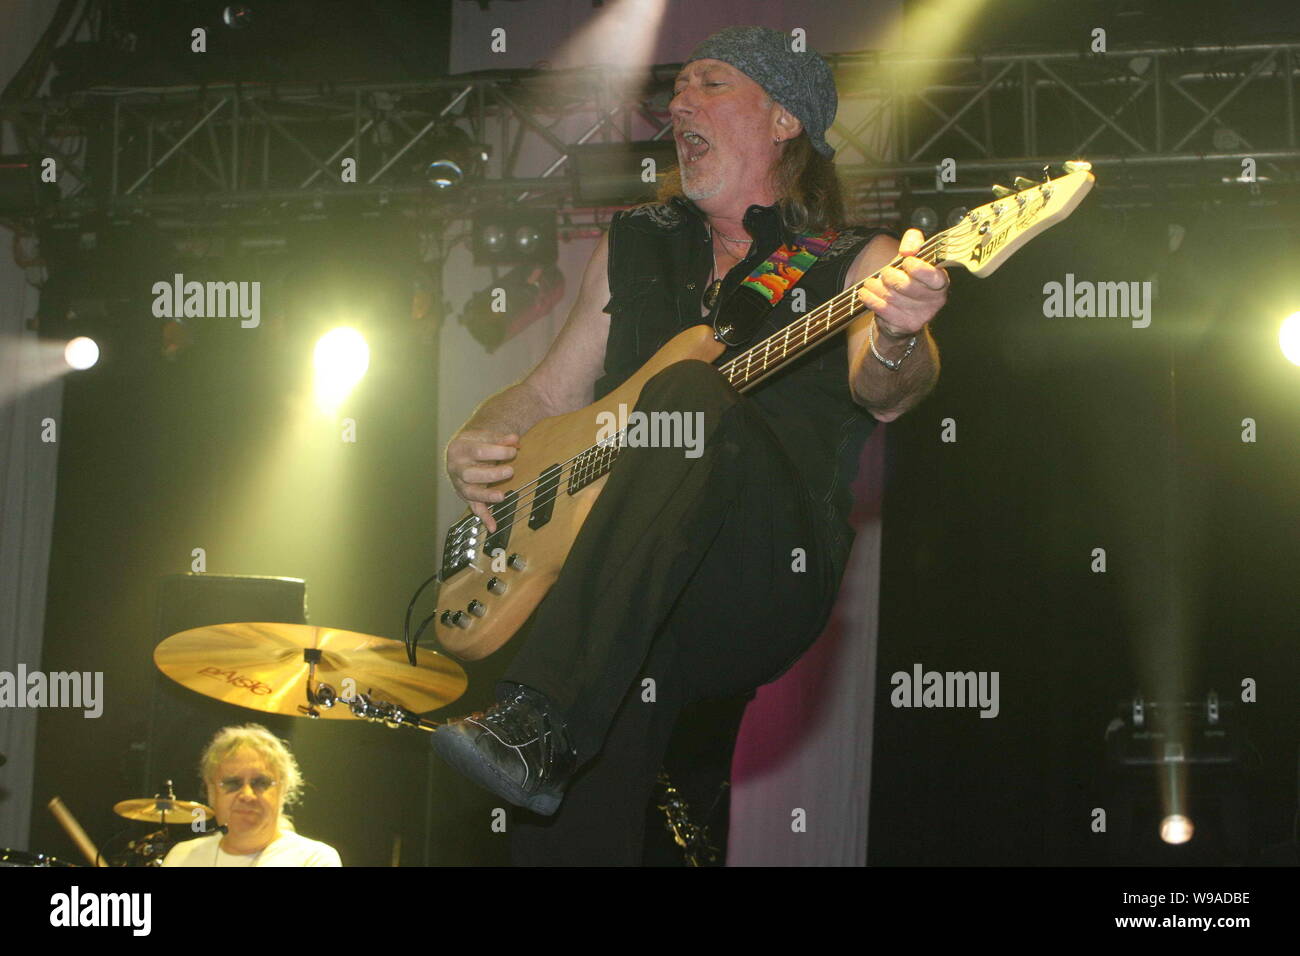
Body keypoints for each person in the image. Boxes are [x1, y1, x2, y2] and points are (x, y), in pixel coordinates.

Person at [434, 25, 948, 864]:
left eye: (710, 84)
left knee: (688, 393)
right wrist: (480, 434)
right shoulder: (635, 242)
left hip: (760, 566)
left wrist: (896, 336)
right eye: (677, 90)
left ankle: (539, 717)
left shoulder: (860, 261)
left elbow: (888, 396)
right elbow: (547, 393)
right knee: (563, 829)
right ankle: (547, 742)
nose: (678, 105)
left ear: (785, 119)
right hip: (624, 584)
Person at [162, 723, 341, 867]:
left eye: (261, 783)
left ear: (283, 790)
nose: (247, 795)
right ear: (211, 791)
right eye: (232, 783)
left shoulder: (314, 859)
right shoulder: (181, 857)